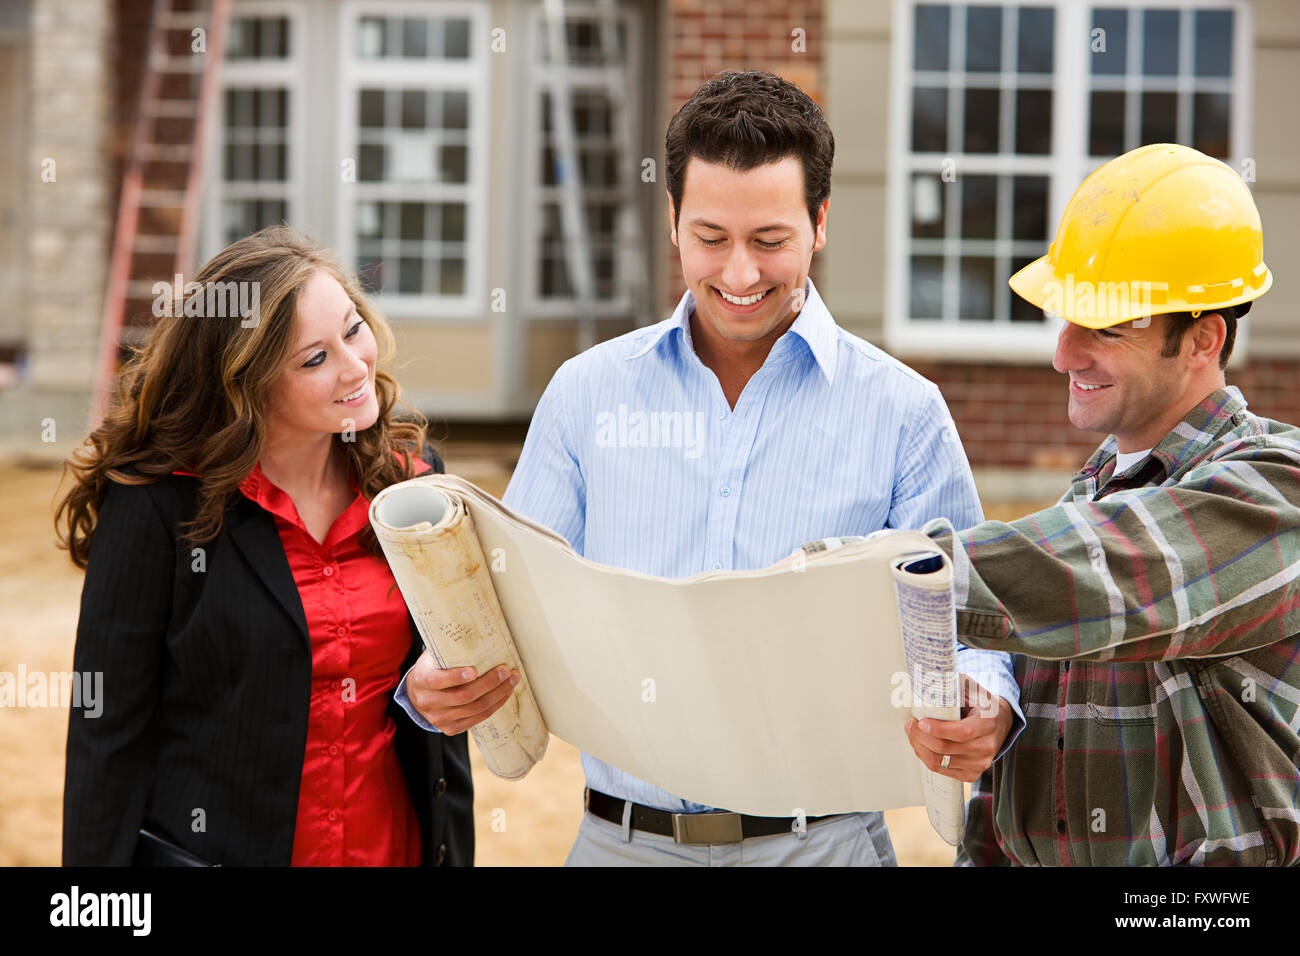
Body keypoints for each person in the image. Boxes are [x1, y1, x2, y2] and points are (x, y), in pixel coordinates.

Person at [400, 71, 1023, 866]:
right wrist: (433, 682)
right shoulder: (587, 394)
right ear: (672, 221)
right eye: (710, 238)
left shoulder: (904, 412)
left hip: (823, 845)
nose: (738, 275)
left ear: (820, 222)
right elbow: (507, 595)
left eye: (770, 240)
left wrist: (988, 702)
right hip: (619, 842)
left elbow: (973, 623)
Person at [900, 143, 1299, 866]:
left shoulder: (1277, 493)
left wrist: (890, 575)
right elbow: (1005, 805)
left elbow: (1116, 573)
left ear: (1203, 338)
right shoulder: (1087, 502)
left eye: (1105, 328)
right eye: (1067, 319)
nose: (1063, 353)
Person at [57, 225, 473, 866]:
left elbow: (443, 719)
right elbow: (106, 734)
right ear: (246, 384)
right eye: (314, 359)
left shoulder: (412, 482)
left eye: (353, 327)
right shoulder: (157, 505)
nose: (357, 365)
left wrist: (423, 700)